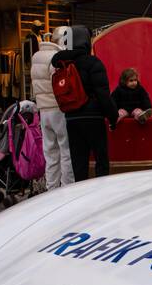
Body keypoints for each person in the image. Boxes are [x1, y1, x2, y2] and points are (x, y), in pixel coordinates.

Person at [51, 25, 118, 181]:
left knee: (78, 161)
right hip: (93, 118)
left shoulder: (62, 64)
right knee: (100, 158)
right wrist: (113, 117)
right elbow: (103, 94)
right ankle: (101, 192)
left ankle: (80, 195)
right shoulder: (93, 63)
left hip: (71, 117)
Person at [30, 33, 74, 189]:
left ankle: (51, 188)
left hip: (43, 109)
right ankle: (67, 186)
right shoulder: (56, 57)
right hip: (57, 108)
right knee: (65, 150)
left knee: (49, 152)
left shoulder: (36, 57)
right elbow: (59, 83)